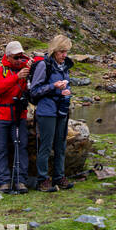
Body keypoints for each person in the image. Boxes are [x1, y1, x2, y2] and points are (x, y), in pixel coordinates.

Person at [29, 34, 76, 192]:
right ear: (54, 51)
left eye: (66, 51)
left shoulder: (65, 67)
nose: (64, 55)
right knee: (46, 146)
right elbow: (34, 91)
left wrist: (66, 92)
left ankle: (59, 177)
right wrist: (53, 86)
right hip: (47, 111)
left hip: (61, 110)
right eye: (62, 51)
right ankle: (43, 179)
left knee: (61, 145)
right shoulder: (44, 65)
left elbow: (65, 86)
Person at [0, 41, 32, 194]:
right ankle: (4, 181)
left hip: (19, 115)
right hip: (0, 115)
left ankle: (21, 181)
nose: (19, 59)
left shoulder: (27, 69)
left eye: (21, 56)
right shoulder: (0, 71)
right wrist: (16, 77)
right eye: (16, 57)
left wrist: (28, 63)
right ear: (8, 57)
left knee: (21, 147)